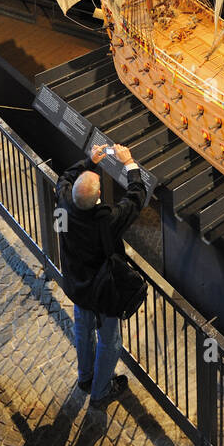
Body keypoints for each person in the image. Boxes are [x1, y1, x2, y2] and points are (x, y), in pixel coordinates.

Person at [56, 143, 145, 408]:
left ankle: (86, 378)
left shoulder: (64, 200)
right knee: (111, 341)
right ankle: (100, 392)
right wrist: (128, 163)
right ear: (97, 199)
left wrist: (89, 162)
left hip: (77, 283)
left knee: (83, 329)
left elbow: (64, 178)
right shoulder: (105, 220)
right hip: (102, 289)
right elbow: (136, 196)